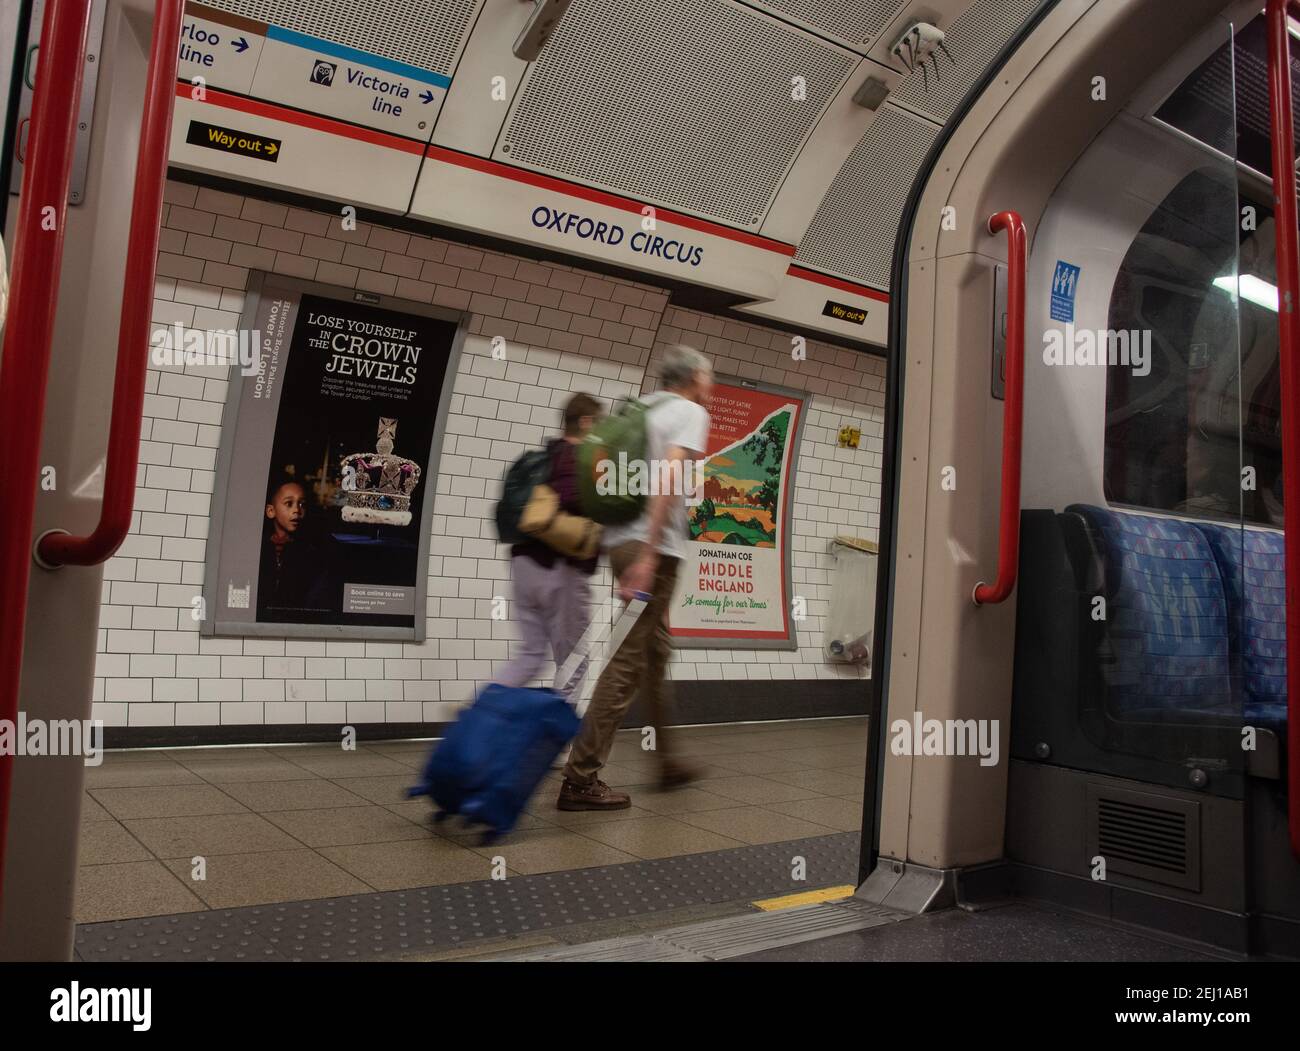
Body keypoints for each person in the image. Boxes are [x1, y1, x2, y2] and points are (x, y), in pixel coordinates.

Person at [558, 344, 713, 811]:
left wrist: (625, 547)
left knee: (655, 651)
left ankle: (667, 761)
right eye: (709, 377)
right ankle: (580, 778)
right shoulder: (687, 412)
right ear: (692, 379)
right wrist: (647, 553)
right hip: (654, 552)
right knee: (627, 659)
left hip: (621, 541)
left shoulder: (639, 407)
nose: (712, 385)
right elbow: (669, 476)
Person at [496, 393, 604, 700]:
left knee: (531, 655)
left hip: (523, 565)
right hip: (560, 570)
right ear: (586, 422)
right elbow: (574, 500)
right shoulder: (578, 459)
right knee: (573, 663)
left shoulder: (543, 458)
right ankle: (552, 745)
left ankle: (478, 716)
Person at [257, 476, 337, 619]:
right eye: (289, 503)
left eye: (302, 505)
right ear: (271, 511)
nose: (297, 510)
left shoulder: (310, 553)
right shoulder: (259, 547)